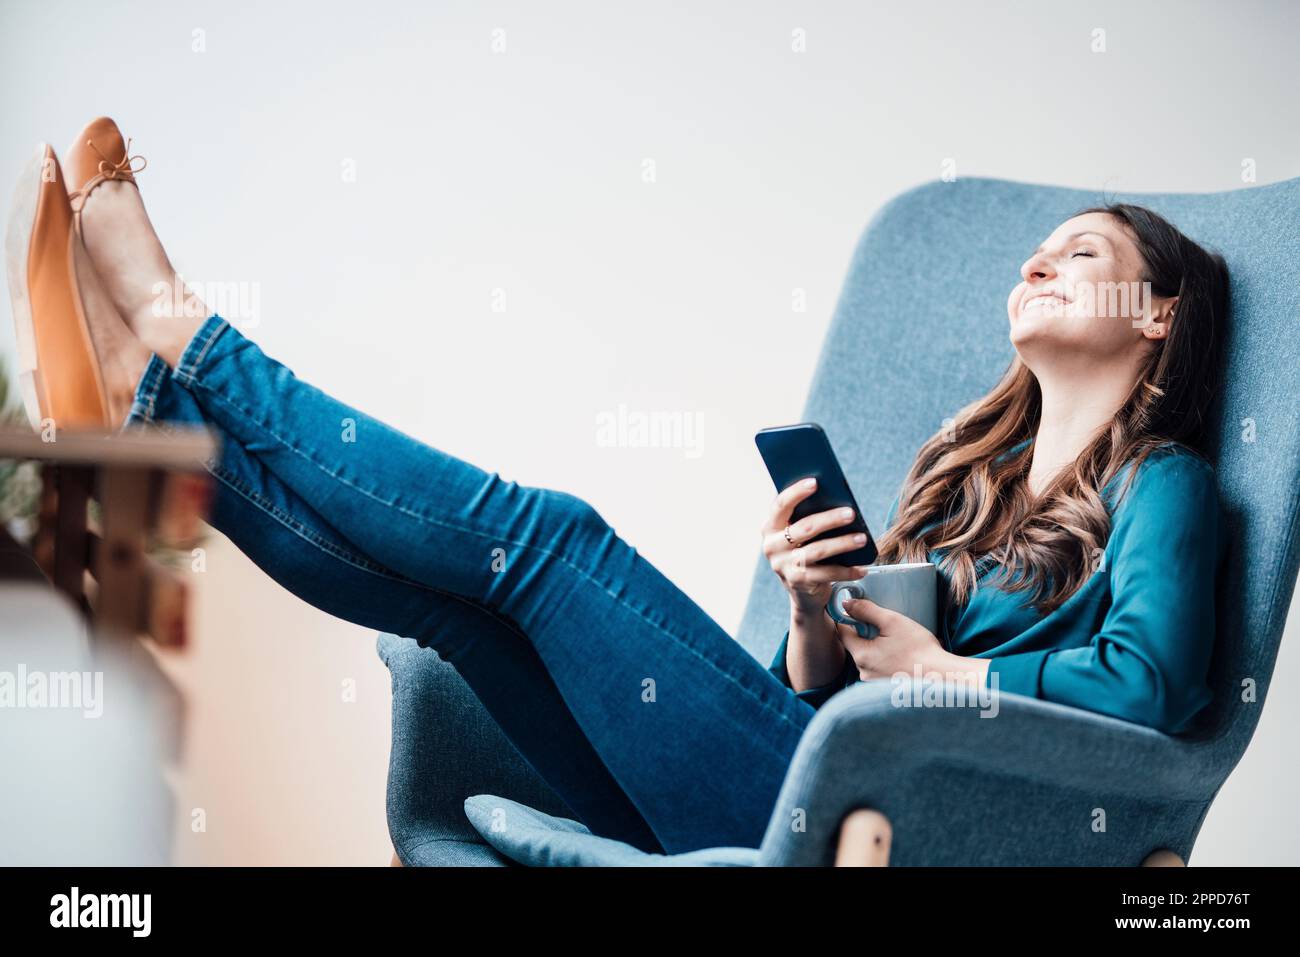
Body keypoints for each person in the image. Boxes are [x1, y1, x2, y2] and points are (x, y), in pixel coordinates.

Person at [4, 117, 1229, 855]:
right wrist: (817, 613)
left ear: (1158, 314)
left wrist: (945, 673)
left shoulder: (1161, 484)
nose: (1040, 260)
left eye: (1084, 253)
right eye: (1040, 248)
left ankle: (177, 333)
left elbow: (1157, 689)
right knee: (456, 614)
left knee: (548, 545)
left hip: (866, 817)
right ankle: (148, 413)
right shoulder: (977, 482)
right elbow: (828, 692)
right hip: (788, 770)